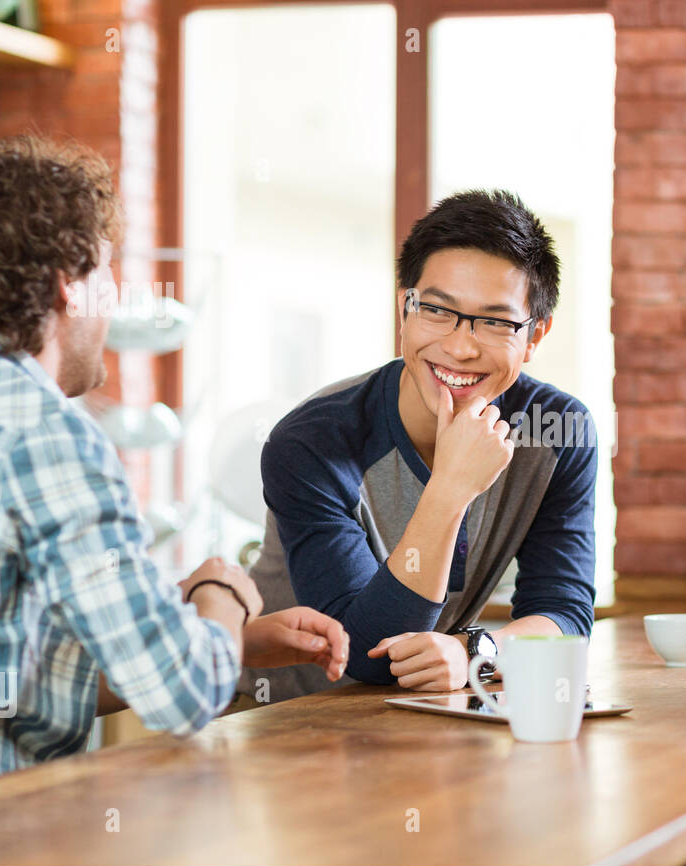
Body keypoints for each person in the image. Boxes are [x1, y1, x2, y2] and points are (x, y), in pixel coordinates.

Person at [0, 136, 347, 794]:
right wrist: (220, 593)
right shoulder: (51, 434)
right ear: (69, 282)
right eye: (108, 272)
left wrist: (228, 638)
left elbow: (4, 684)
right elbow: (181, 696)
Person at [239, 189, 597, 703]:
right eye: (437, 310)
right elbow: (367, 653)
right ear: (404, 307)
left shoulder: (557, 430)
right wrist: (451, 487)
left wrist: (476, 651)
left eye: (495, 321)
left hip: (425, 723)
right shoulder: (313, 440)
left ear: (535, 335)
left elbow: (564, 614)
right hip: (282, 721)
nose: (459, 346)